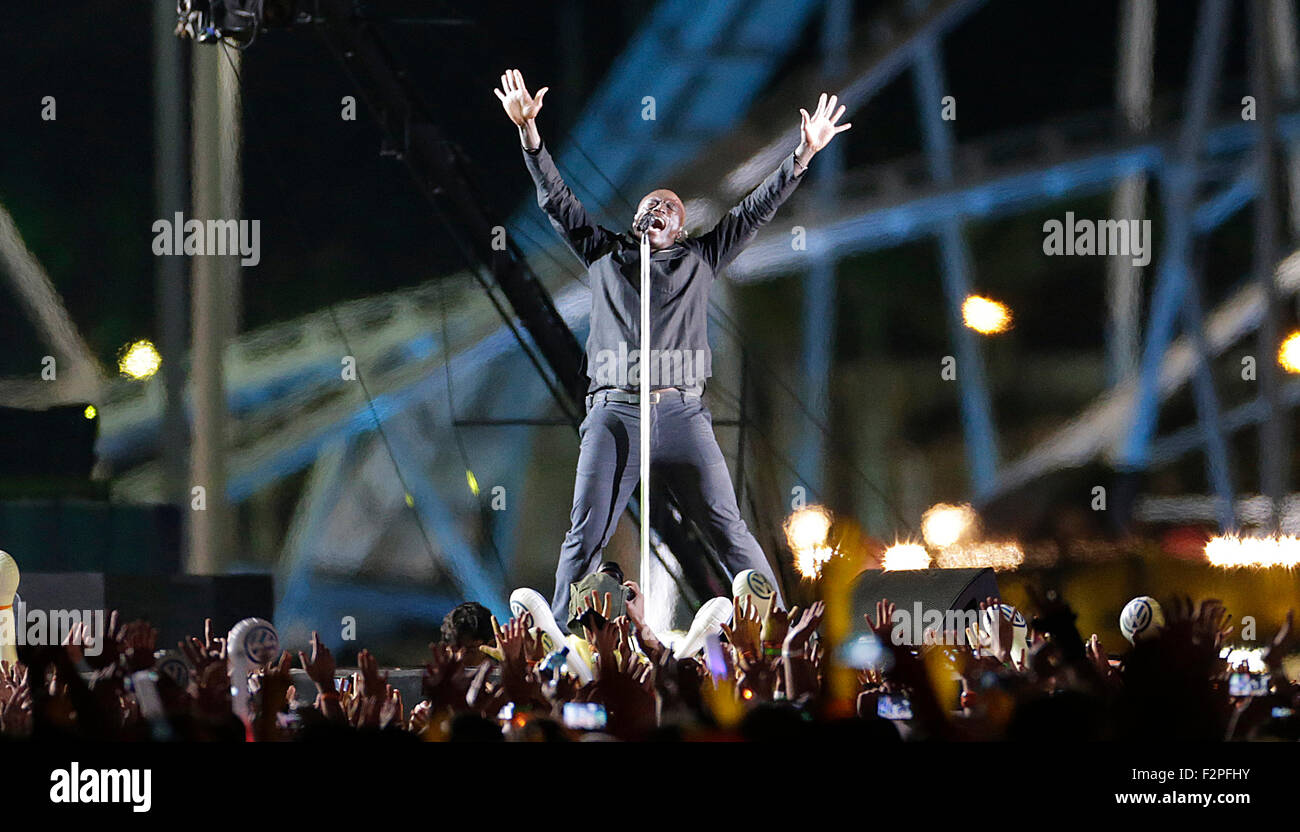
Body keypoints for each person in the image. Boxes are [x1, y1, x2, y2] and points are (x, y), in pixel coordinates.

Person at [494, 69, 852, 626]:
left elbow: (755, 209)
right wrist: (530, 135)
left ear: (679, 228)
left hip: (681, 413)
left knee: (727, 527)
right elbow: (556, 200)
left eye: (668, 207)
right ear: (637, 219)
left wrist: (803, 153)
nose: (657, 208)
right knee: (585, 531)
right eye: (650, 204)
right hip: (615, 412)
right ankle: (558, 637)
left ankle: (780, 627)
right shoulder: (603, 253)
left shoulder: (700, 259)